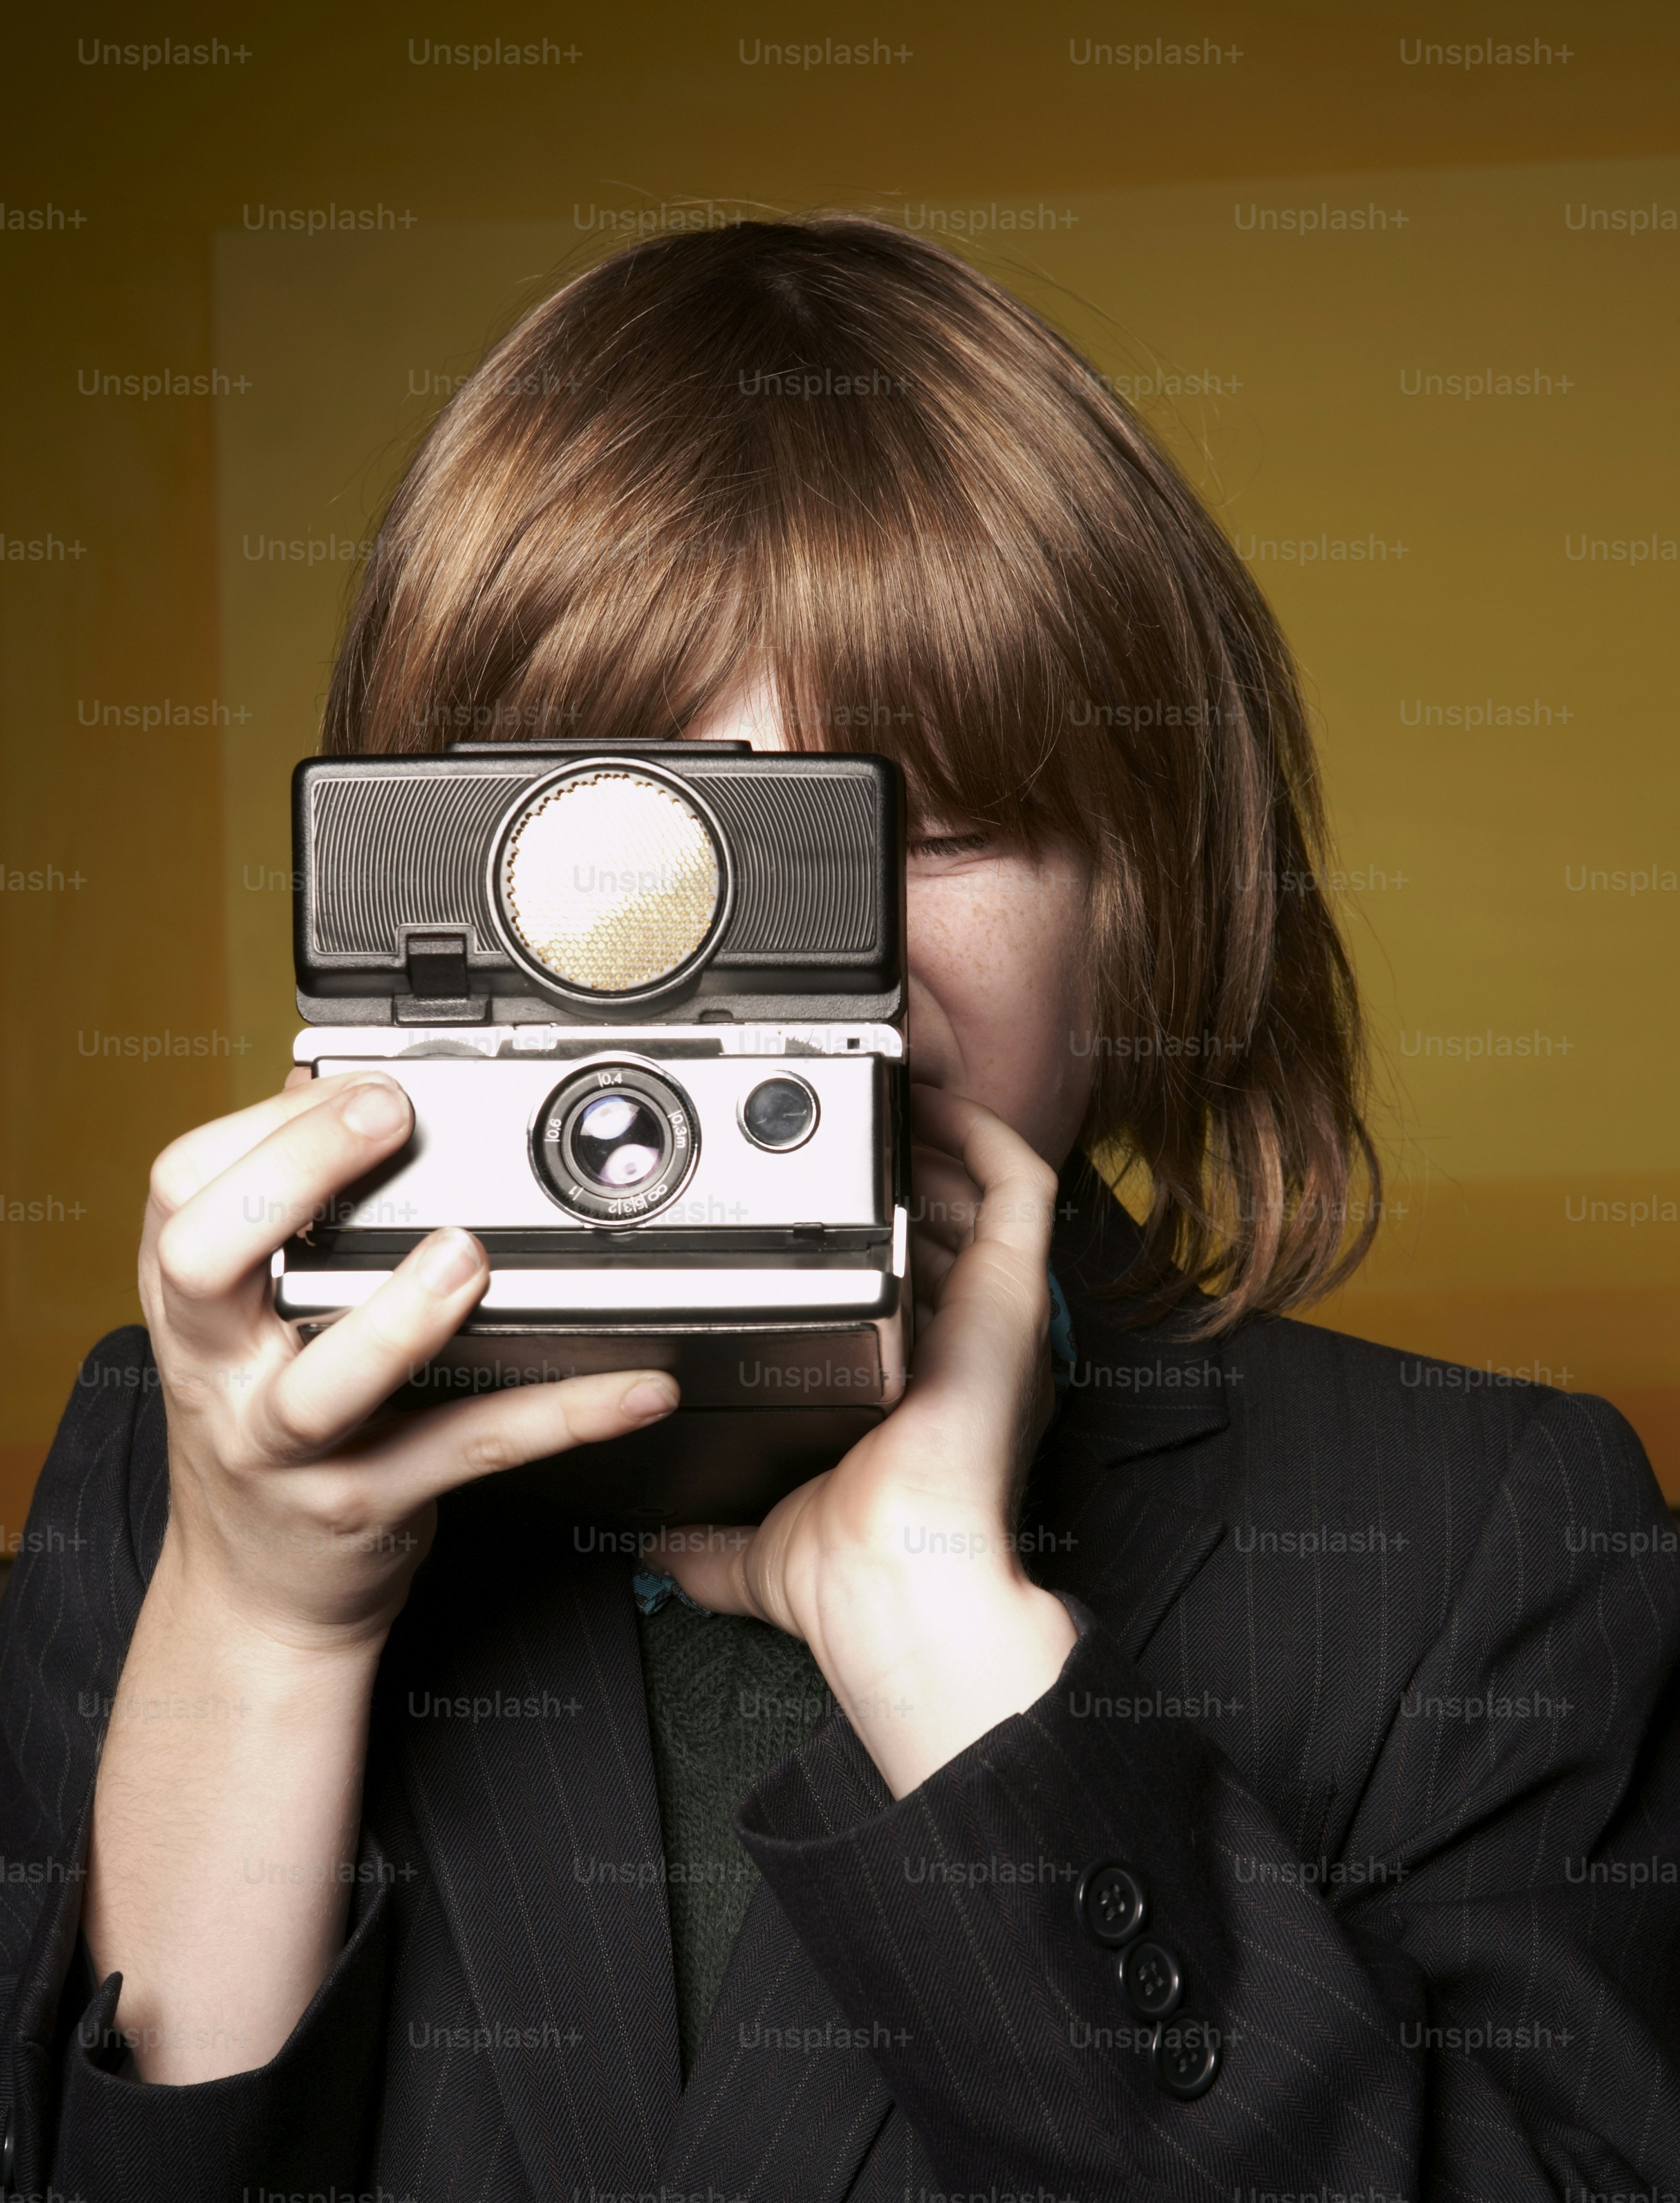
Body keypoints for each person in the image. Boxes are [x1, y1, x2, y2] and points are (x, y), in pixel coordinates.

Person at [3, 213, 1677, 2203]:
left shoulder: (1477, 1543)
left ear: (1140, 891)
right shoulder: (171, 1477)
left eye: (925, 823)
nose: (805, 977)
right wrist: (262, 1633)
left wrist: (954, 1668)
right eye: (650, 855)